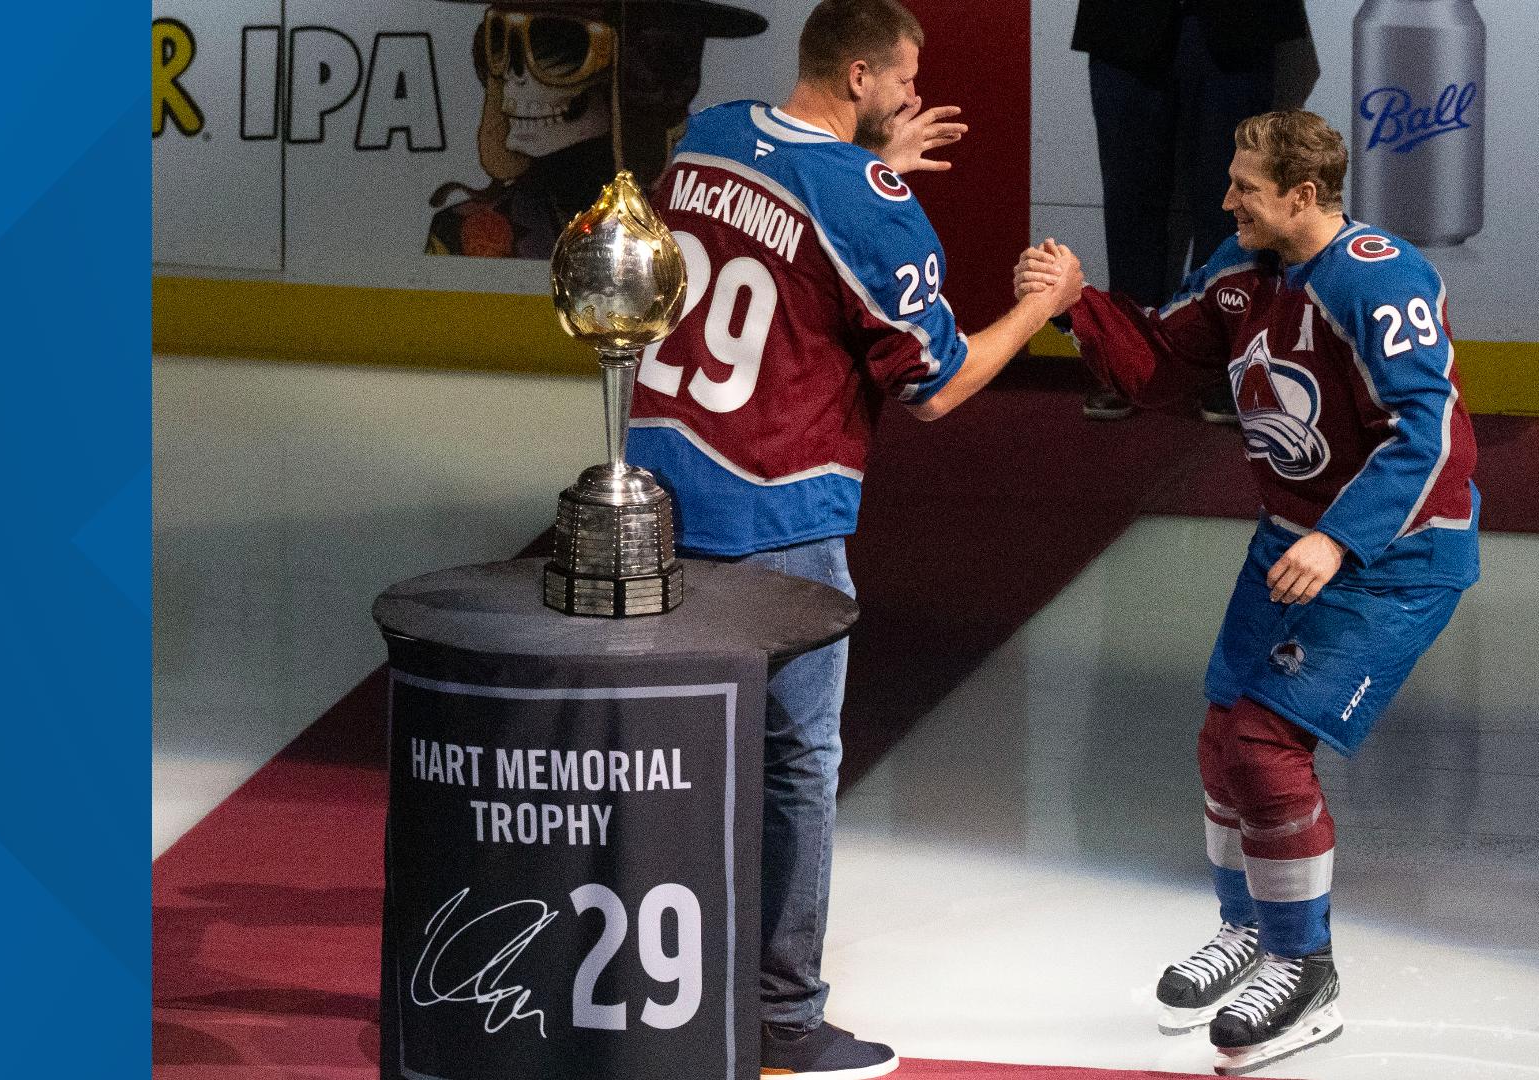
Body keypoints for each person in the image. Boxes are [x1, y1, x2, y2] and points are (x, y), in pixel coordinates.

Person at [627, 2, 1084, 1076]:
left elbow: (778, 238)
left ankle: (662, 988)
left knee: (674, 754)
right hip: (780, 514)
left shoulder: (711, 132)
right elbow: (934, 388)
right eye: (904, 82)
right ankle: (783, 1018)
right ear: (863, 73)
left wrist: (870, 162)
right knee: (795, 764)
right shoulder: (867, 203)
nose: (912, 99)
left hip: (658, 492)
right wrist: (1041, 307)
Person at [1022, 110, 1478, 1075]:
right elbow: (1158, 361)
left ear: (1302, 197)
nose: (1226, 202)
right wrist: (1077, 304)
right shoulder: (1241, 276)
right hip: (1293, 540)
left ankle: (1304, 969)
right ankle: (1250, 932)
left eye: (1245, 188)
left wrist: (1340, 540)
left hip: (1399, 557)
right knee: (1223, 731)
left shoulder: (1378, 277)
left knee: (1268, 746)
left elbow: (1429, 435)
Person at [1070, 0, 1317, 423]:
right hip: (1124, 26)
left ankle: (1226, 365)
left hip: (1238, 25)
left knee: (1234, 202)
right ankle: (1127, 362)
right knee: (1131, 200)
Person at [426, 0, 767, 258]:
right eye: (499, 42)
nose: (516, 78)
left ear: (641, 74)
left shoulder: (697, 229)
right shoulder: (462, 233)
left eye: (556, 46)